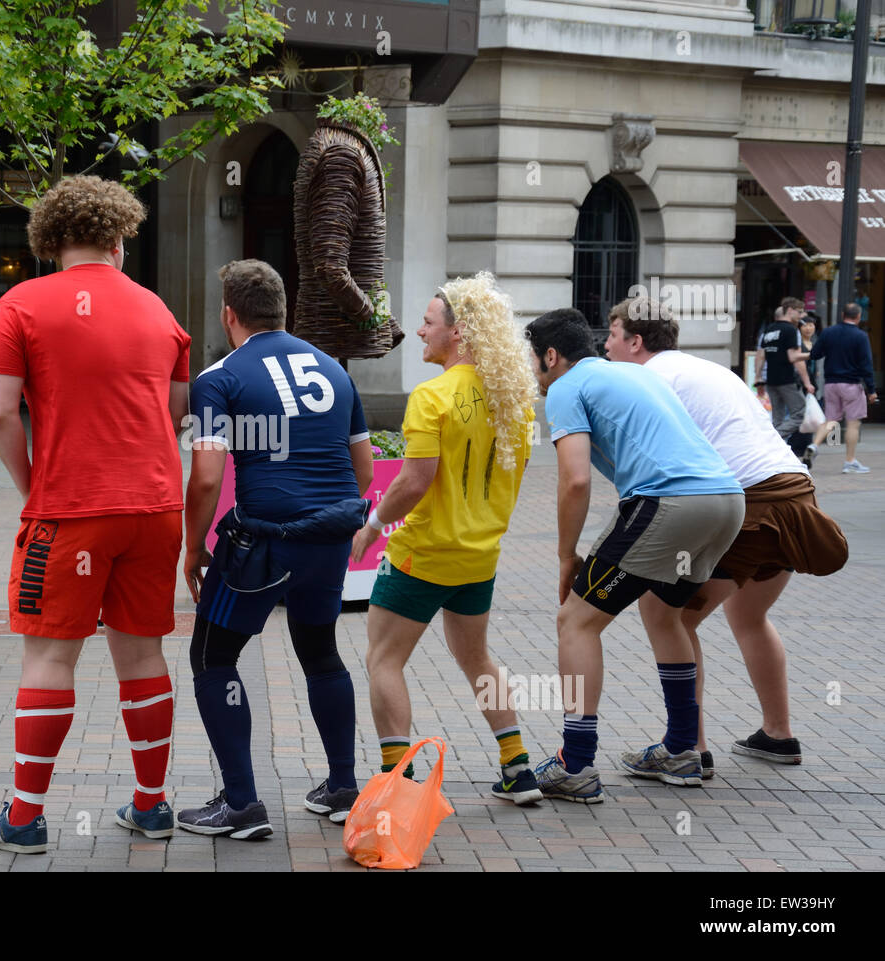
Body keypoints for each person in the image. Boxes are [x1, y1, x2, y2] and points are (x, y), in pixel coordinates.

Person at [0, 176, 190, 855]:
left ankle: (25, 817)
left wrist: (32, 482)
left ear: (50, 241)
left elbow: (1, 411)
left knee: (49, 654)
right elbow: (175, 410)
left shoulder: (21, 304)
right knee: (144, 652)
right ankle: (151, 805)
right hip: (155, 504)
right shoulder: (158, 310)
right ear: (119, 240)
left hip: (70, 508)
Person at [605, 297, 847, 773]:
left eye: (612, 335)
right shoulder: (709, 369)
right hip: (797, 496)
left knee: (667, 613)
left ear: (635, 342)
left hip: (752, 505)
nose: (606, 345)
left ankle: (686, 749)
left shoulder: (647, 380)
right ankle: (778, 736)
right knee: (748, 614)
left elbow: (655, 465)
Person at [178, 259, 374, 839]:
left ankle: (241, 803)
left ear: (229, 314)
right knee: (320, 652)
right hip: (331, 536)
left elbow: (207, 477)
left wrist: (193, 546)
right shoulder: (334, 372)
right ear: (283, 310)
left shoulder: (219, 377)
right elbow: (363, 469)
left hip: (264, 540)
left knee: (214, 658)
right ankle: (342, 787)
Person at [524, 309, 744, 802]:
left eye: (534, 360)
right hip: (727, 500)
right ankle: (683, 750)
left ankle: (574, 764)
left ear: (552, 356)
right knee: (664, 613)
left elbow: (575, 480)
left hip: (670, 502)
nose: (533, 371)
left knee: (575, 622)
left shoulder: (565, 387)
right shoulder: (630, 372)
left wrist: (566, 555)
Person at [351, 272, 544, 805]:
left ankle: (398, 779)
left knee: (383, 660)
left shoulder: (432, 397)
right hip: (480, 556)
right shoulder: (514, 399)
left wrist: (370, 527)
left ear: (457, 334)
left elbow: (414, 482)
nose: (418, 332)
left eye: (429, 323)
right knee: (477, 659)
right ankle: (518, 768)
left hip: (422, 554)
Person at [805, 303, 879, 473]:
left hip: (831, 383)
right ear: (858, 317)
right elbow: (866, 364)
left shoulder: (829, 332)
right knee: (853, 424)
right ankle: (850, 461)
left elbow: (815, 354)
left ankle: (814, 445)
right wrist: (872, 389)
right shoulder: (861, 336)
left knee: (830, 420)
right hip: (852, 384)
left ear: (842, 314)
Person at [759, 297, 815, 442]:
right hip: (786, 379)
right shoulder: (791, 330)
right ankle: (773, 438)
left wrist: (758, 377)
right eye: (799, 311)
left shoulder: (769, 330)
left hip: (771, 379)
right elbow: (794, 357)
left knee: (777, 417)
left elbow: (761, 355)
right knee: (800, 413)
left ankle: (776, 451)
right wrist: (814, 354)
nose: (801, 315)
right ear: (790, 311)